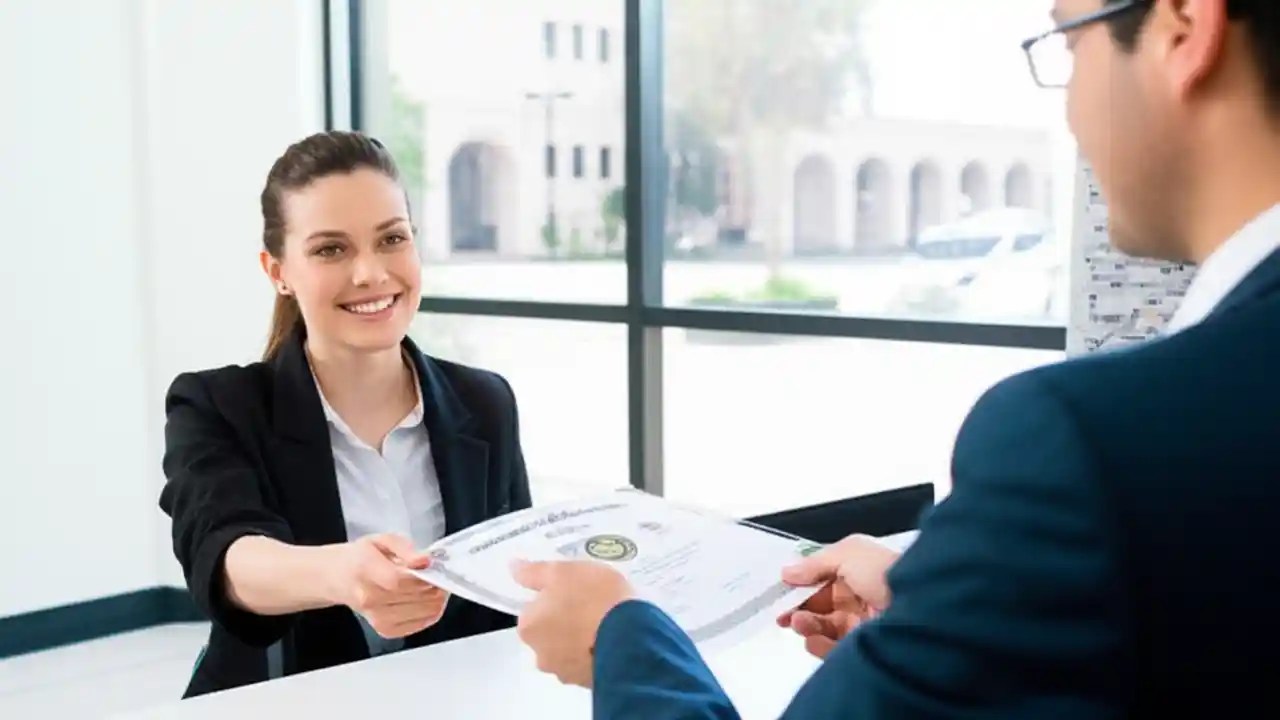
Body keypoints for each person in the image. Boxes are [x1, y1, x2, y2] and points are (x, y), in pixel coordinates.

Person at [510, 0, 1280, 716]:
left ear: (1184, 27)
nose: (1072, 113)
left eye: (1069, 42)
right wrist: (951, 608)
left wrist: (621, 638)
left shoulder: (1083, 446)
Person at [159, 130, 532, 698]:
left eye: (392, 239)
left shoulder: (486, 402)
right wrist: (342, 575)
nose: (370, 274)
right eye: (331, 249)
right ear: (277, 271)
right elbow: (228, 557)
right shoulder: (217, 406)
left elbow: (506, 584)